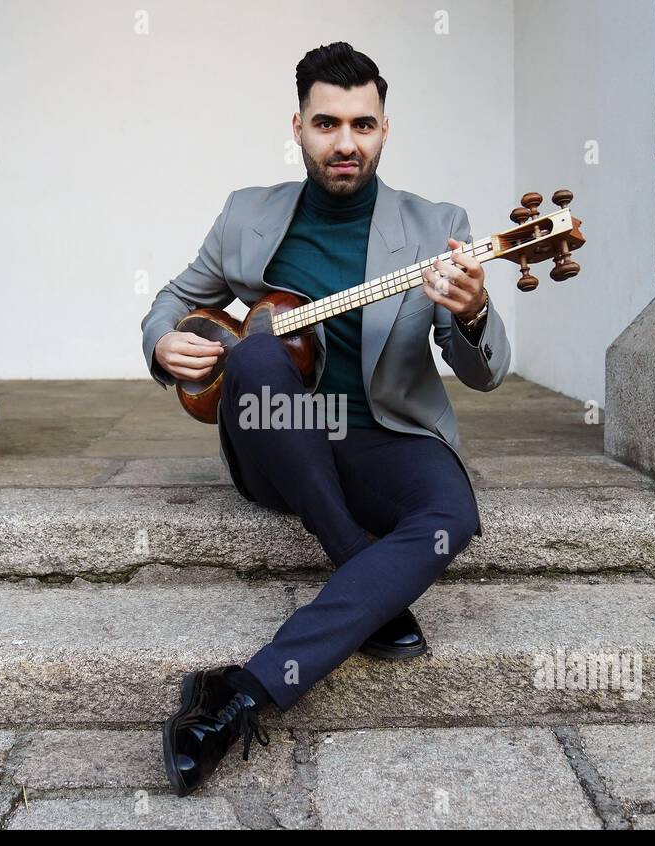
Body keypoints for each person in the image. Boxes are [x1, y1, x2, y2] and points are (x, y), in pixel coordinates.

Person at [140, 42, 511, 797]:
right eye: (328, 123)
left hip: (384, 432)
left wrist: (472, 313)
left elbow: (483, 372)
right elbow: (172, 301)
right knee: (256, 357)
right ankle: (357, 560)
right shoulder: (248, 214)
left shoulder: (438, 226)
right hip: (278, 442)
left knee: (451, 514)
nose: (346, 142)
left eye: (364, 125)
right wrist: (161, 342)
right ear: (299, 126)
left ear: (384, 128)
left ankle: (236, 693)